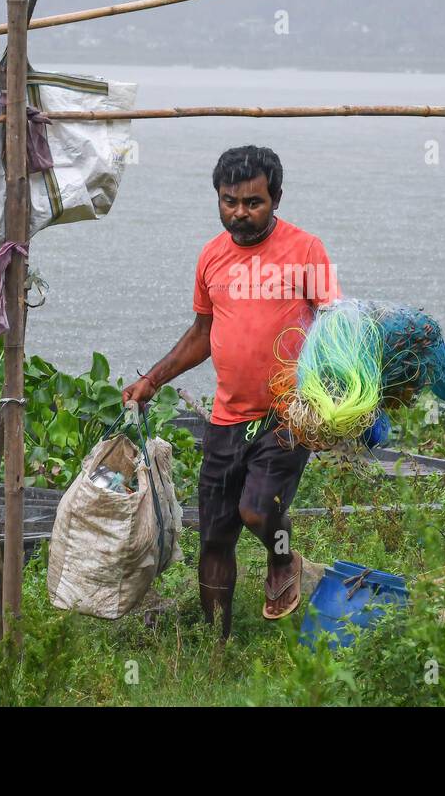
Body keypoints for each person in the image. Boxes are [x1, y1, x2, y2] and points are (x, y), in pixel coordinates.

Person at [121, 145, 341, 639]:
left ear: (276, 198)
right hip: (226, 418)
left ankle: (282, 555)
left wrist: (337, 398)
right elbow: (202, 333)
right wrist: (152, 380)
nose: (239, 213)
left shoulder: (306, 250)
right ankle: (214, 645)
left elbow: (336, 328)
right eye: (229, 201)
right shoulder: (212, 256)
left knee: (256, 511)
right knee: (215, 538)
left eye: (252, 202)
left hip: (288, 415)